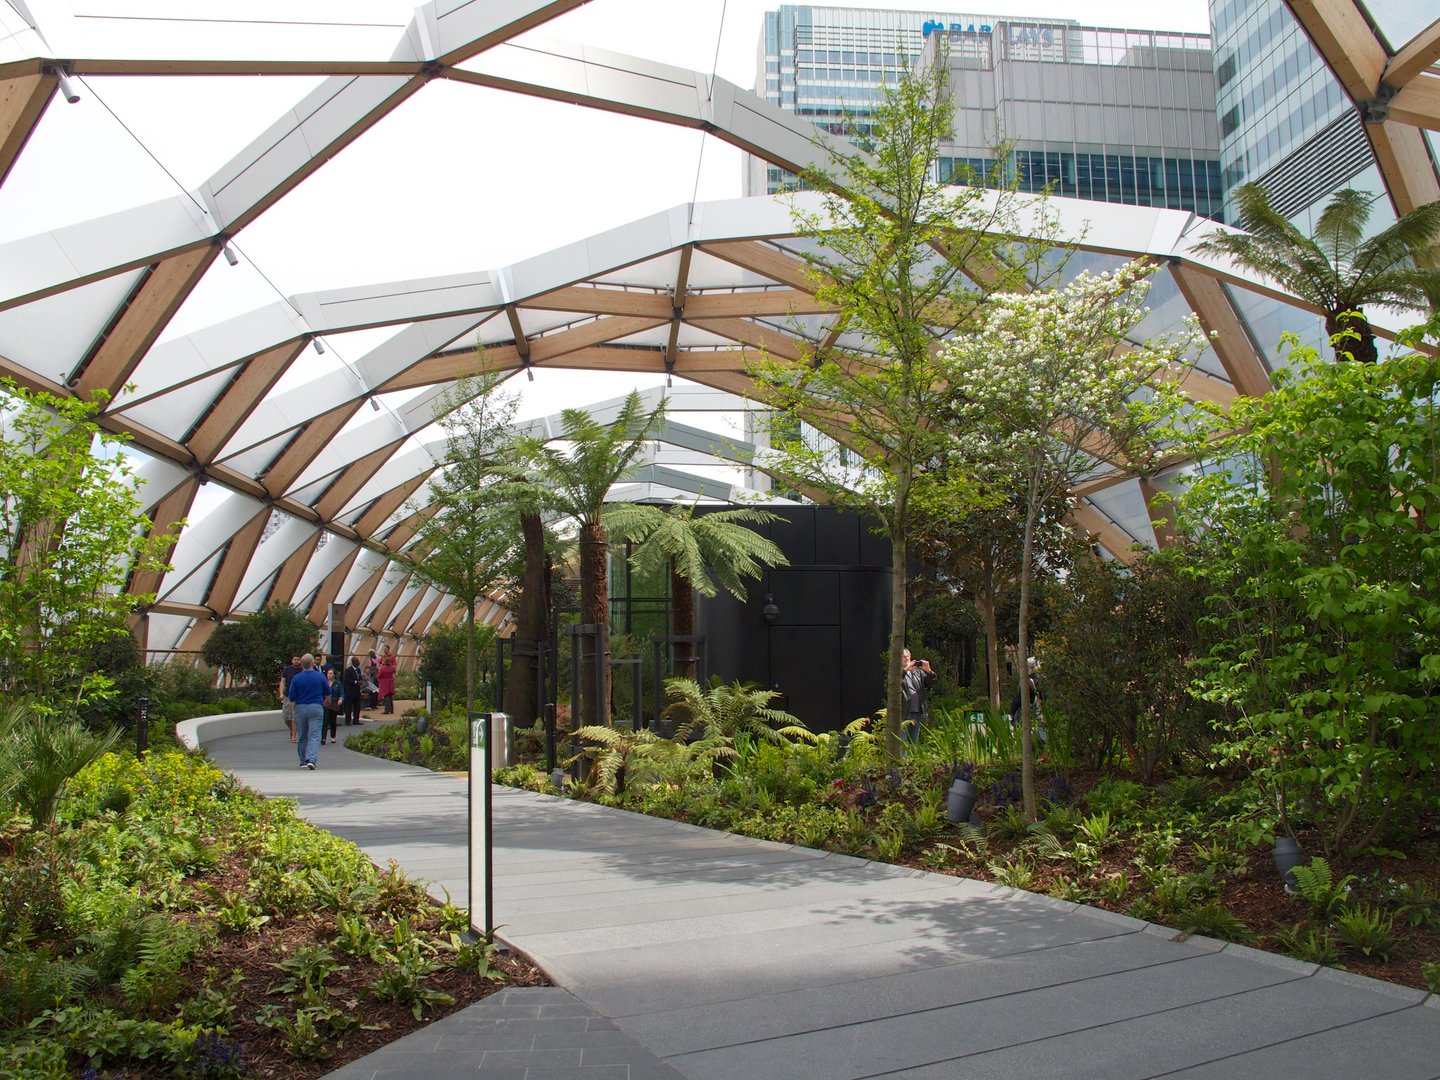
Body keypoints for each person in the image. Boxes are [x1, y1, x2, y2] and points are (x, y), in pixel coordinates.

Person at [287, 653, 329, 769]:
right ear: (312, 663)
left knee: (302, 735)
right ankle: (312, 759)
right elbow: (328, 692)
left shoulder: (297, 678)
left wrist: (294, 709)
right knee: (315, 735)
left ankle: (302, 761)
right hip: (316, 707)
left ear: (302, 664)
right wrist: (326, 701)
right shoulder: (320, 676)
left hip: (301, 707)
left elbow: (292, 697)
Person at [900, 648, 936, 746]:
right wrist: (905, 670)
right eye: (903, 656)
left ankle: (912, 761)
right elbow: (895, 684)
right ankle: (903, 761)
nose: (906, 658)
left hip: (917, 712)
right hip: (903, 712)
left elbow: (931, 683)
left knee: (913, 742)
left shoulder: (917, 673)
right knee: (903, 742)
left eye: (908, 656)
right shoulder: (896, 673)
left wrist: (928, 671)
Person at [278, 653, 300, 743]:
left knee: (295, 716)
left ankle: (294, 735)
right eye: (295, 659)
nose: (296, 661)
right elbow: (282, 682)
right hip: (288, 695)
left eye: (298, 659)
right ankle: (292, 729)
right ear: (292, 660)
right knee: (286, 717)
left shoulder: (302, 670)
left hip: (298, 697)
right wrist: (281, 693)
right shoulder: (287, 669)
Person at [321, 666, 342, 744]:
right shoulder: (324, 683)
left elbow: (342, 693)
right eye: (328, 673)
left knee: (333, 720)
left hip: (334, 703)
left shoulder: (338, 684)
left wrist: (341, 699)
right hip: (326, 704)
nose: (329, 675)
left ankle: (333, 736)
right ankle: (323, 738)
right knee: (325, 721)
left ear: (334, 675)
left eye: (331, 673)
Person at [342, 655, 365, 726]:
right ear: (353, 662)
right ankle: (348, 720)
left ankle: (356, 719)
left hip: (357, 691)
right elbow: (346, 679)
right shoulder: (348, 670)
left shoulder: (358, 670)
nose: (359, 662)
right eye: (357, 661)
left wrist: (361, 681)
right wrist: (355, 682)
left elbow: (360, 677)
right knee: (349, 706)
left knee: (357, 706)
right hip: (350, 691)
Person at [377, 646, 397, 715]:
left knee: (386, 696)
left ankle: (387, 710)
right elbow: (394, 669)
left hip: (384, 683)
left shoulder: (383, 668)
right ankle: (391, 709)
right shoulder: (392, 668)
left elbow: (378, 676)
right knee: (390, 696)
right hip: (390, 682)